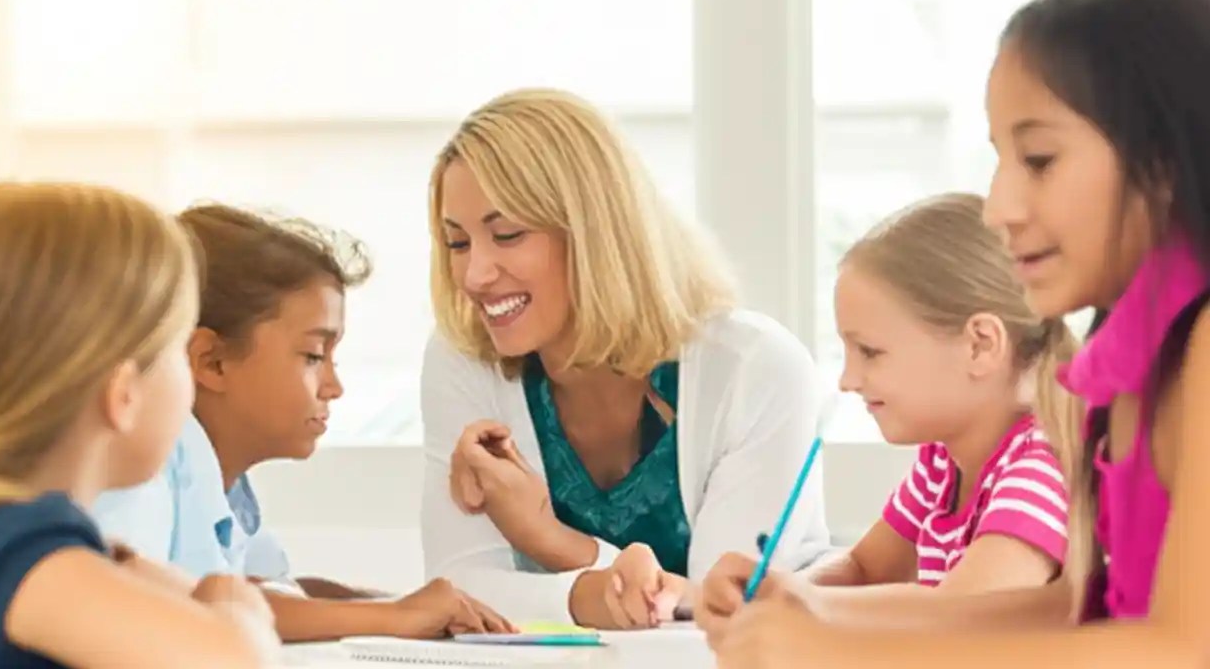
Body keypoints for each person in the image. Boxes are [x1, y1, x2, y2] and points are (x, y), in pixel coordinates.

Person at [705, 0, 1210, 669]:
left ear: (1163, 162)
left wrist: (842, 651)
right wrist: (815, 608)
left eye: (1039, 160)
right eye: (1001, 161)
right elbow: (1077, 609)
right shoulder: (1131, 368)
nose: (999, 206)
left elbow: (1185, 647)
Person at [420, 87, 830, 628]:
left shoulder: (756, 370)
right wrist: (598, 591)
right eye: (457, 243)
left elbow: (722, 610)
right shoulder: (464, 360)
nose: (475, 275)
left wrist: (551, 540)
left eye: (507, 234)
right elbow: (458, 590)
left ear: (596, 231)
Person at [94, 203, 512, 642]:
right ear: (212, 362)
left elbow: (270, 590)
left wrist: (392, 603)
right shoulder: (149, 465)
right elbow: (155, 599)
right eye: (313, 356)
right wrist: (389, 617)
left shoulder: (228, 488)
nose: (334, 387)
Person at [696, 193, 1077, 640]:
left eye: (870, 352)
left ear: (980, 345)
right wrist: (778, 596)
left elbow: (961, 614)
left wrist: (807, 607)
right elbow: (864, 568)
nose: (848, 380)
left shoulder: (1040, 465)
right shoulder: (943, 463)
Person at [0, 183, 275, 669]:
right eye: (177, 349)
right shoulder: (15, 548)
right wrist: (236, 602)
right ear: (124, 395)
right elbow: (234, 662)